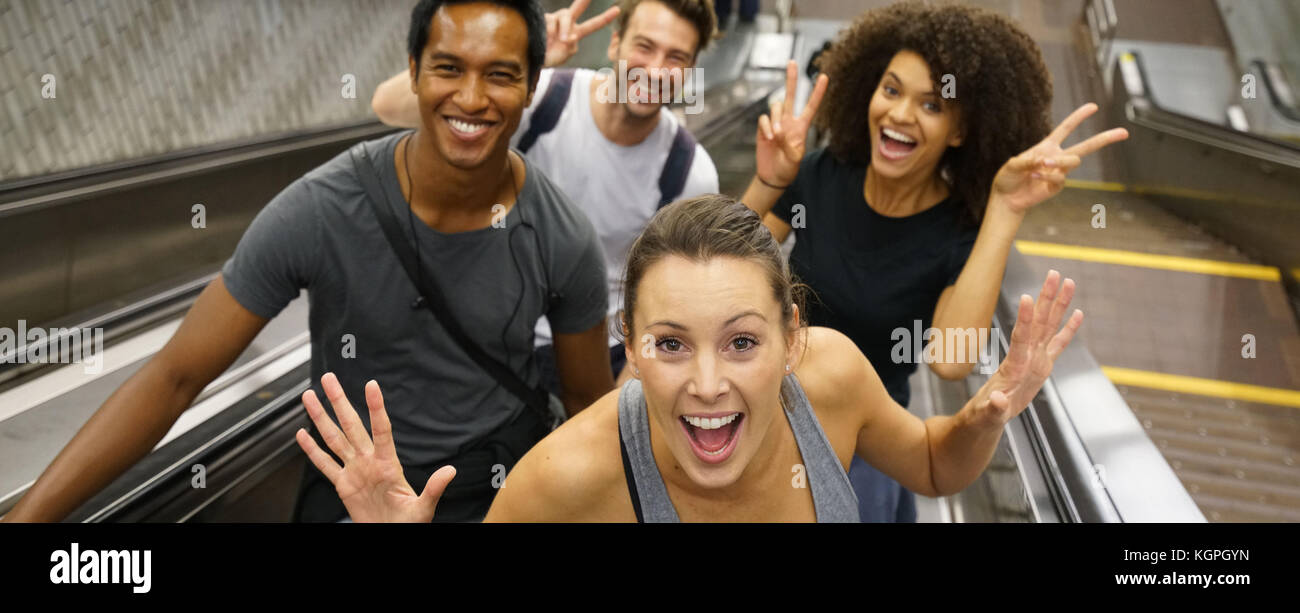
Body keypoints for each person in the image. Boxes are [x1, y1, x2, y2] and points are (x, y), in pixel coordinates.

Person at [2, 0, 614, 524]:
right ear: (413, 74)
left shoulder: (559, 238)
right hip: (351, 486)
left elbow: (588, 406)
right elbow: (173, 378)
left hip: (490, 488)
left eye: (500, 76)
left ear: (533, 86)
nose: (472, 98)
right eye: (448, 68)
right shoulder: (325, 209)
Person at [295, 195, 1085, 522]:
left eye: (743, 341)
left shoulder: (834, 377)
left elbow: (934, 467)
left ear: (793, 336)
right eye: (670, 344)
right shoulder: (570, 475)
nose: (708, 385)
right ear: (630, 345)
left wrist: (983, 415)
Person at [740, 0, 1128, 521]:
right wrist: (769, 181)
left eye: (931, 105)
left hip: (869, 434)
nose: (899, 114)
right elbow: (727, 265)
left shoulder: (953, 236)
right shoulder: (823, 174)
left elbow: (950, 359)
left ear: (961, 132)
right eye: (891, 90)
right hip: (770, 401)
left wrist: (1006, 207)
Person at [370, 0, 721, 391]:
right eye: (644, 47)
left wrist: (621, 403)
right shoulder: (544, 97)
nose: (656, 70)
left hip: (597, 358)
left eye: (676, 57)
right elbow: (387, 107)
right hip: (491, 339)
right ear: (615, 45)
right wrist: (526, 59)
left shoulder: (689, 173)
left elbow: (675, 303)